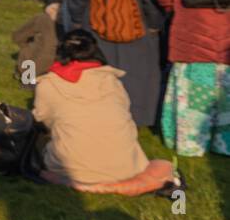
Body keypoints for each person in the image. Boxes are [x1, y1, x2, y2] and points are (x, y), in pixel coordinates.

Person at [32, 30, 174, 193]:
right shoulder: (113, 81)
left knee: (39, 139)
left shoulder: (48, 83)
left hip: (70, 169)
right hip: (127, 168)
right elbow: (124, 110)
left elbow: (44, 119)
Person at [146, 0, 230, 157]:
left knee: (191, 84)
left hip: (190, 22)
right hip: (226, 21)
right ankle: (223, 141)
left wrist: (173, 4)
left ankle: (190, 141)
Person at [12, 2, 61, 88]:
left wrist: (24, 45)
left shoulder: (42, 18)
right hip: (62, 68)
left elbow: (18, 36)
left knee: (28, 49)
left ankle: (27, 79)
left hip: (39, 66)